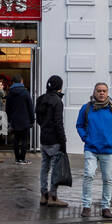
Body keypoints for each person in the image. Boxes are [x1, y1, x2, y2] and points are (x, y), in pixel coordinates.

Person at [77, 81, 112, 218]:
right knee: (88, 175)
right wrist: (85, 138)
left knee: (107, 179)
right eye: (99, 90)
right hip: (91, 148)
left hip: (107, 150)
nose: (101, 93)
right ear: (94, 92)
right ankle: (86, 205)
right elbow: (79, 125)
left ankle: (106, 207)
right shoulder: (86, 108)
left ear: (107, 93)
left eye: (104, 91)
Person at [35, 74, 68, 207]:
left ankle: (44, 194)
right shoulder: (57, 101)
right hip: (55, 139)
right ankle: (53, 196)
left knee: (44, 167)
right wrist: (63, 141)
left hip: (43, 138)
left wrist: (44, 127)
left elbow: (38, 119)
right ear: (59, 87)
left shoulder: (41, 99)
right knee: (54, 168)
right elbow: (58, 123)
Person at [5, 75, 35, 163]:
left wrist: (9, 119)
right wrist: (32, 120)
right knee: (24, 140)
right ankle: (22, 158)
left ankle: (17, 158)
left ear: (13, 82)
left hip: (14, 120)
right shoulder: (25, 93)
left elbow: (7, 109)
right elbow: (30, 107)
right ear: (21, 81)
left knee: (16, 139)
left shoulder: (10, 93)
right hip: (25, 120)